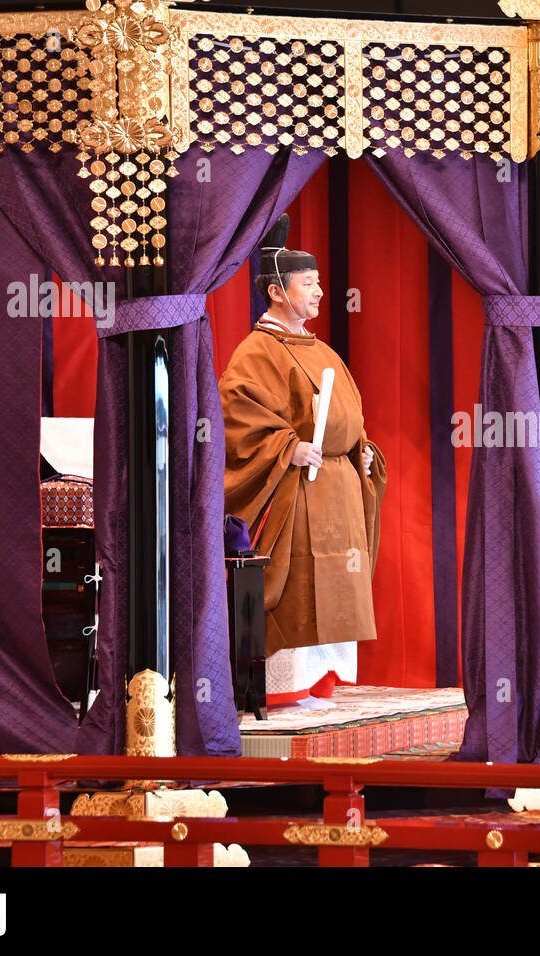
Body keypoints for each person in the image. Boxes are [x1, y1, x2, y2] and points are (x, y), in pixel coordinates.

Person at [220, 214, 386, 710]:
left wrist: (360, 448)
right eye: (308, 285)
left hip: (337, 482)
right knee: (297, 587)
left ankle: (322, 678)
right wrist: (286, 447)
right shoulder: (256, 352)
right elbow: (237, 413)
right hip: (299, 485)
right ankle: (283, 685)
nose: (318, 294)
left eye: (318, 284)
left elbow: (346, 415)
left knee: (337, 583)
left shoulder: (323, 350)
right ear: (276, 291)